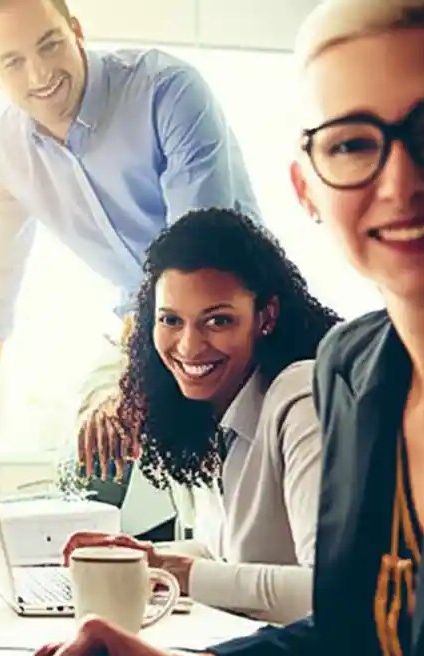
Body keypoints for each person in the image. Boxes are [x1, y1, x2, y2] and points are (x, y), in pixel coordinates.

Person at [4, 0, 424, 656]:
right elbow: (361, 636)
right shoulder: (354, 368)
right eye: (351, 143)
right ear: (305, 188)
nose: (401, 183)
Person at [0, 0, 260, 508]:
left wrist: (127, 384)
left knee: (243, 511)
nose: (41, 73)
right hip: (142, 325)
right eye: (13, 61)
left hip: (232, 318)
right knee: (88, 452)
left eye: (49, 45)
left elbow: (193, 261)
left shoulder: (167, 91)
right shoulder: (6, 151)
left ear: (75, 31)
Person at [62, 208, 340, 624]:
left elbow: (335, 592)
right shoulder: (212, 412)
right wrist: (143, 559)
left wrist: (183, 573)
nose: (190, 347)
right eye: (171, 320)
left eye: (218, 320)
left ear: (266, 317)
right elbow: (228, 555)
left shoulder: (301, 397)